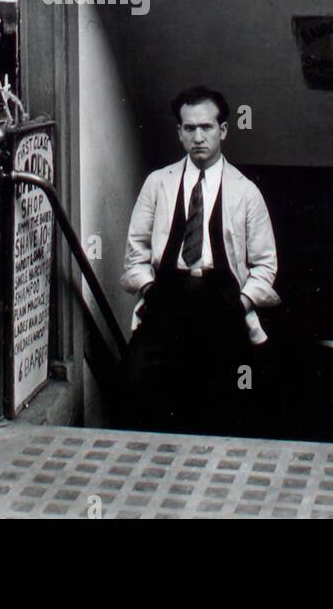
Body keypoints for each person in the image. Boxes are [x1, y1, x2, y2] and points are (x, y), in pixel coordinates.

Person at [119, 85, 279, 434]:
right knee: (141, 386)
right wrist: (151, 290)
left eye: (206, 127)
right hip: (167, 298)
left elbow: (266, 264)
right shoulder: (158, 184)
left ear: (223, 130)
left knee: (223, 400)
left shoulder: (245, 191)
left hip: (222, 300)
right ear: (179, 133)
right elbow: (136, 253)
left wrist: (242, 301)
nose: (198, 137)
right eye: (189, 128)